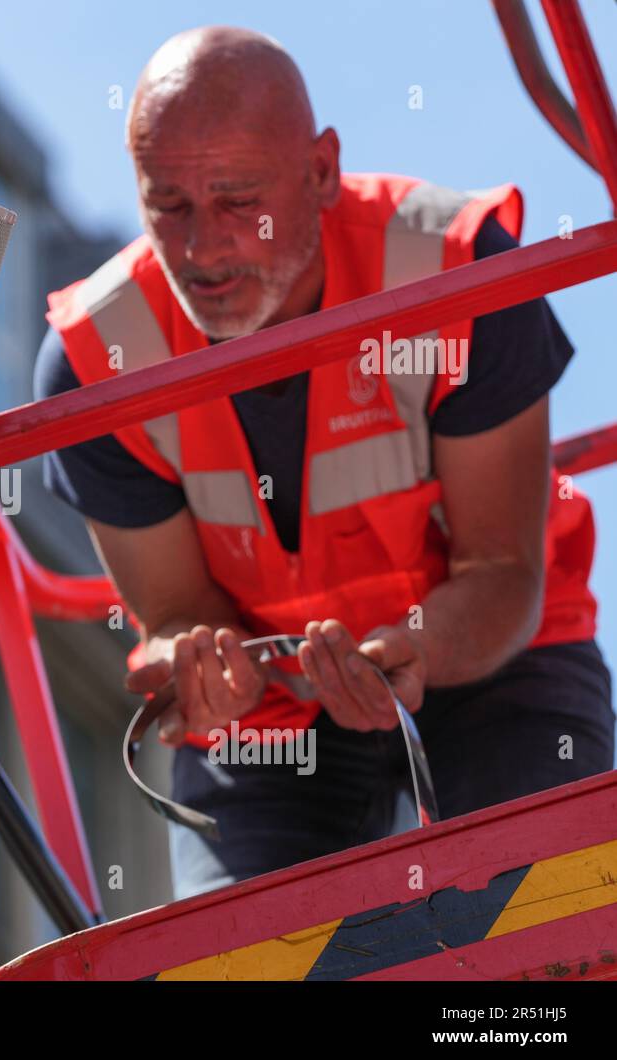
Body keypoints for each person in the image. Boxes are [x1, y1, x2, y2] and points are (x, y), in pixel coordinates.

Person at [34, 26, 615, 899]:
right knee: (242, 956)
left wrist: (415, 649)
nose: (202, 250)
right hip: (267, 718)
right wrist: (189, 667)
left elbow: (502, 570)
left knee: (551, 939)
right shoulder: (92, 364)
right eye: (169, 205)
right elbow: (176, 613)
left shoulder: (459, 269)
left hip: (497, 661)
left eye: (237, 200)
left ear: (320, 171)